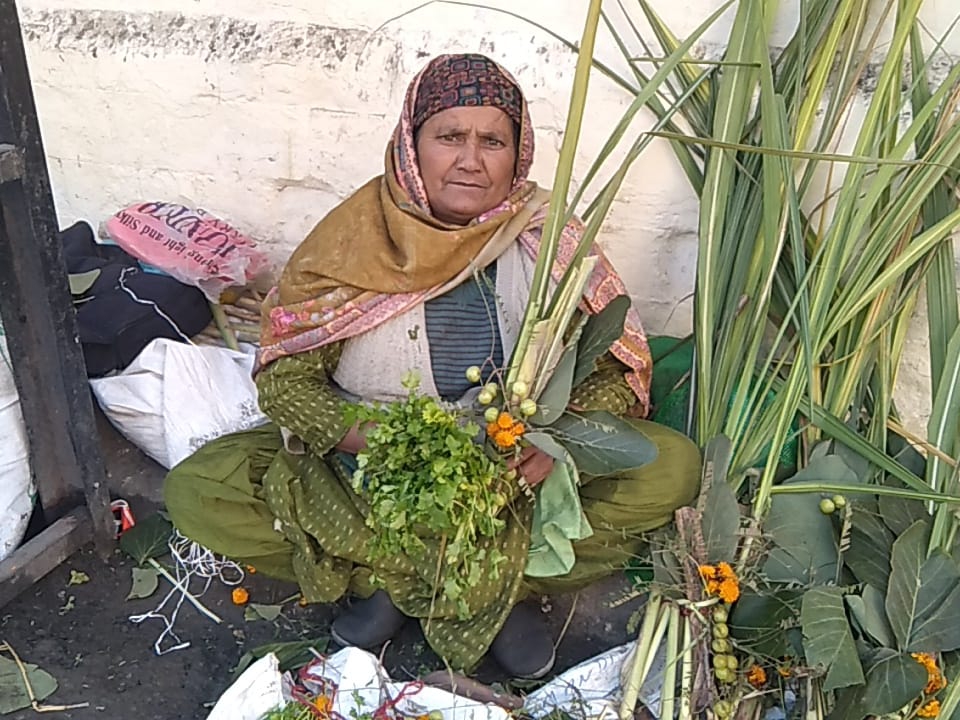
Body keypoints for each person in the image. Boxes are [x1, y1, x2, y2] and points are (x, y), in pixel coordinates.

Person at [164, 53, 700, 679]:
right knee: (198, 489)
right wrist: (369, 440)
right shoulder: (355, 240)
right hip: (364, 473)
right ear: (411, 146)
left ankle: (454, 585)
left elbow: (613, 367)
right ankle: (439, 585)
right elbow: (285, 379)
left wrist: (554, 442)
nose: (471, 160)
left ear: (518, 154)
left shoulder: (547, 238)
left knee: (673, 467)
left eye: (492, 141)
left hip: (509, 472)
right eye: (450, 137)